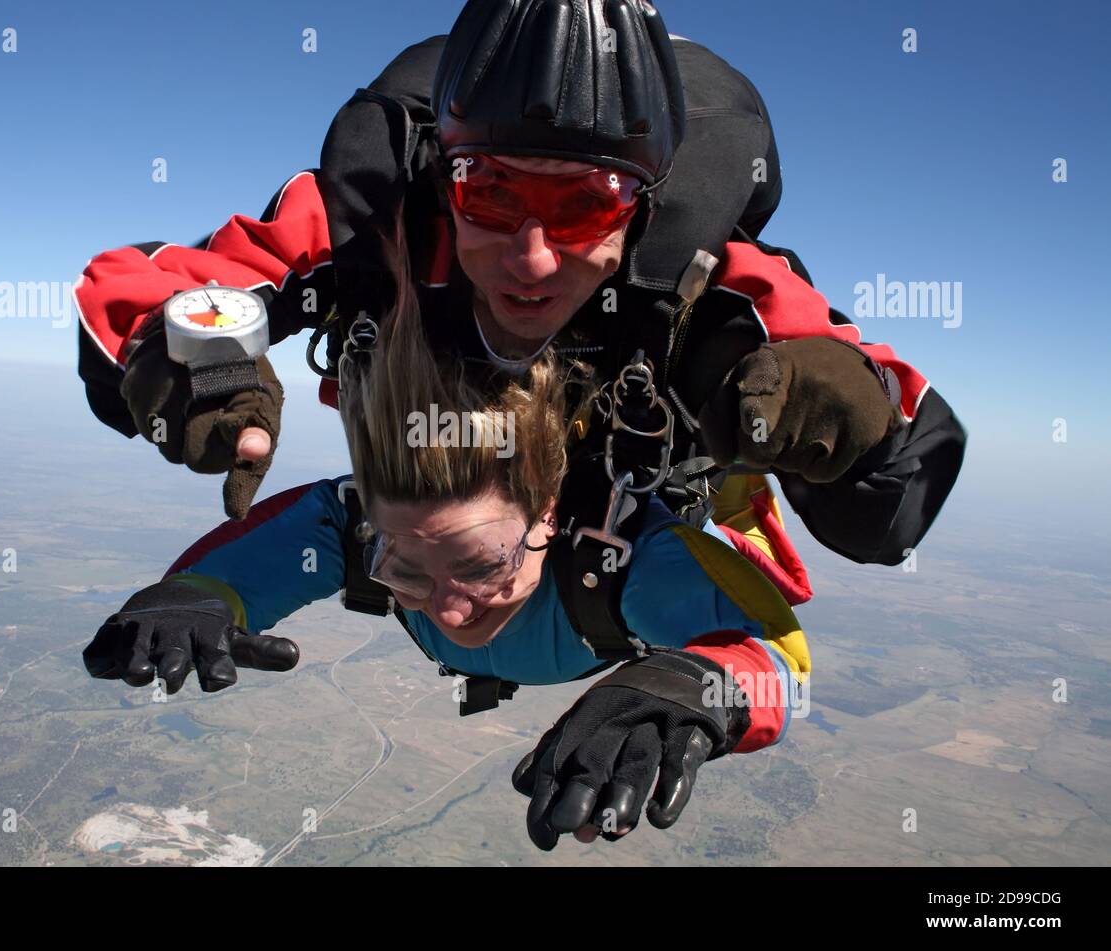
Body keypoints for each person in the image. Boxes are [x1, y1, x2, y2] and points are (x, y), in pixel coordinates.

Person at [74, 0, 963, 565]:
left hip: (596, 530)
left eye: (585, 203)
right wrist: (183, 360)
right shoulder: (376, 220)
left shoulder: (710, 283)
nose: (531, 255)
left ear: (644, 208)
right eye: (490, 192)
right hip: (445, 542)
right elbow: (153, 285)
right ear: (441, 179)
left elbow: (896, 483)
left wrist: (853, 428)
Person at [82, 226, 810, 850]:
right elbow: (229, 577)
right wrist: (192, 598)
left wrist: (693, 689)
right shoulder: (358, 523)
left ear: (550, 516)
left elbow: (776, 656)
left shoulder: (623, 562)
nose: (450, 612)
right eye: (402, 568)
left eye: (479, 564)